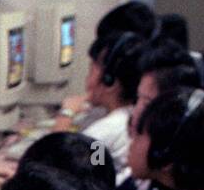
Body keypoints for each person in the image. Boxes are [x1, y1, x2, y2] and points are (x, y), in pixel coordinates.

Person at [54, 30, 148, 180]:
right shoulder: (124, 115)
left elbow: (55, 166)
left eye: (92, 69)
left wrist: (65, 115)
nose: (87, 76)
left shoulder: (107, 130)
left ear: (108, 81)